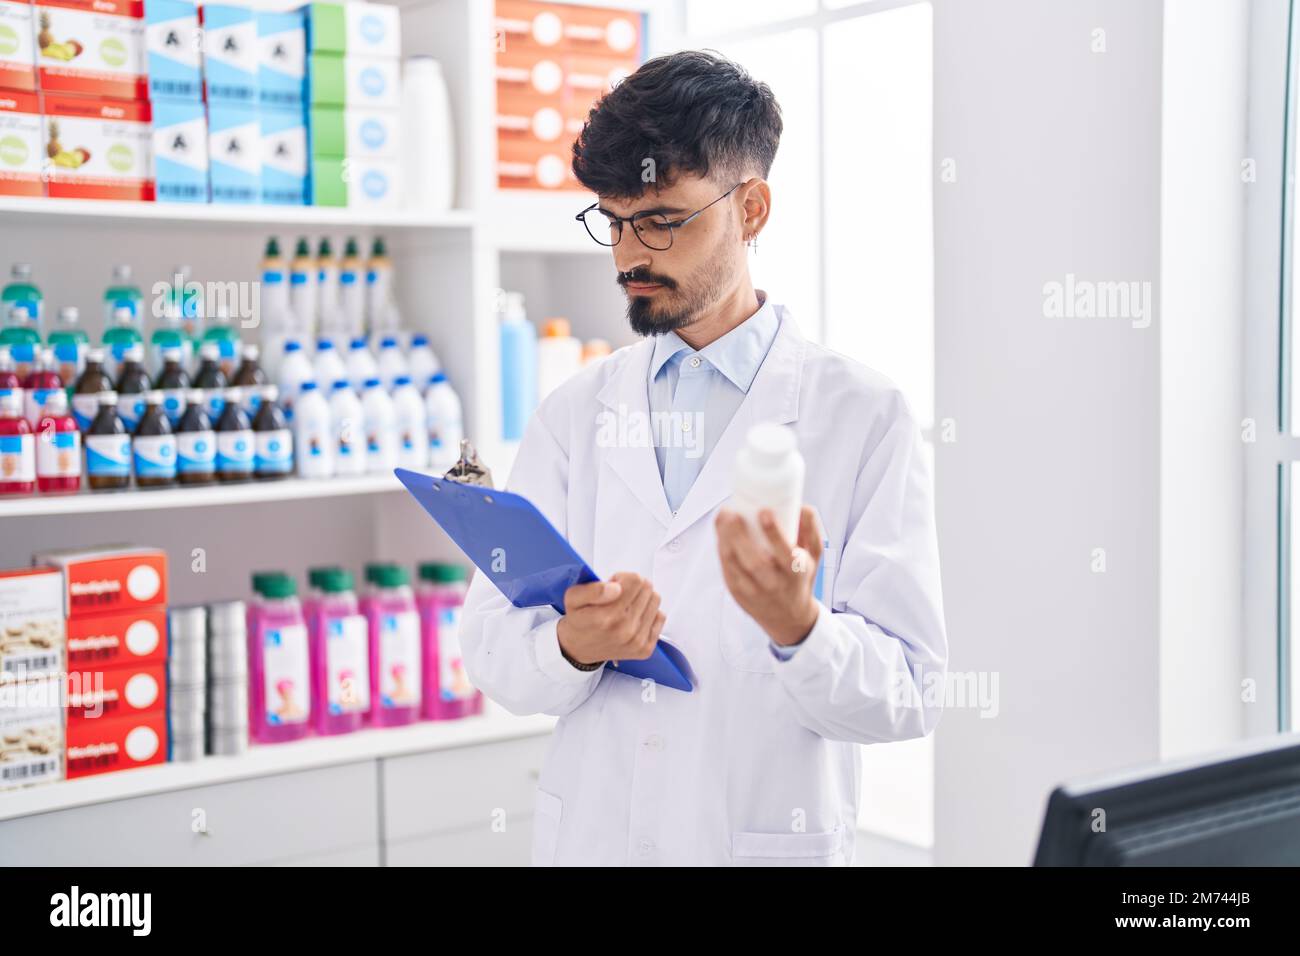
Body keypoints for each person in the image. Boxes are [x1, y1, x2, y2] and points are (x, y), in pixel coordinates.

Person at [461, 50, 947, 866]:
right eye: (613, 221)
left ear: (751, 208)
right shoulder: (576, 414)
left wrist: (801, 628)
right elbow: (490, 649)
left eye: (659, 219)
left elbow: (911, 694)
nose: (626, 256)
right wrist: (574, 644)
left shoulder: (863, 417)